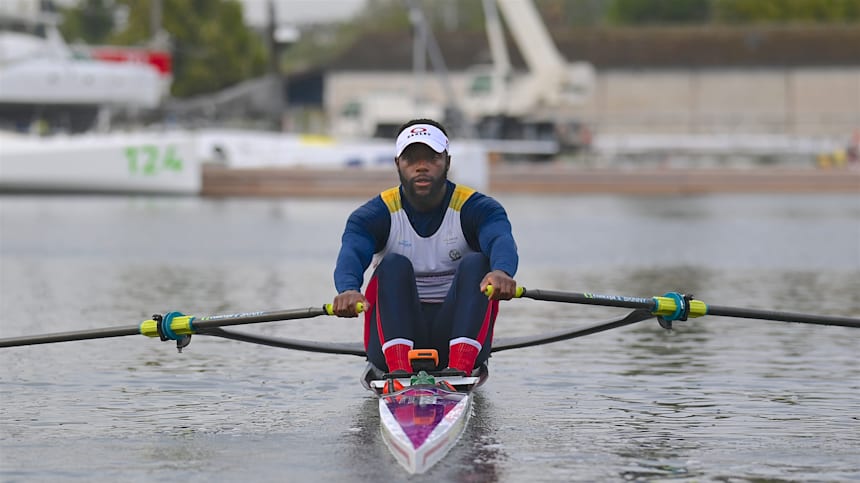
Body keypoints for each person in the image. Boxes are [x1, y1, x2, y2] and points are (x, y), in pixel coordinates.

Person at [331, 118, 519, 376]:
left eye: (431, 158)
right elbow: (352, 251)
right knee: (393, 264)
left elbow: (500, 239)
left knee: (479, 263)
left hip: (457, 332)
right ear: (397, 164)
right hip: (393, 338)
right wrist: (348, 290)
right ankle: (398, 371)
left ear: (447, 162)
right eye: (411, 159)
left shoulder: (478, 208)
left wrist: (503, 272)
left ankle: (460, 369)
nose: (422, 167)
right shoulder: (374, 214)